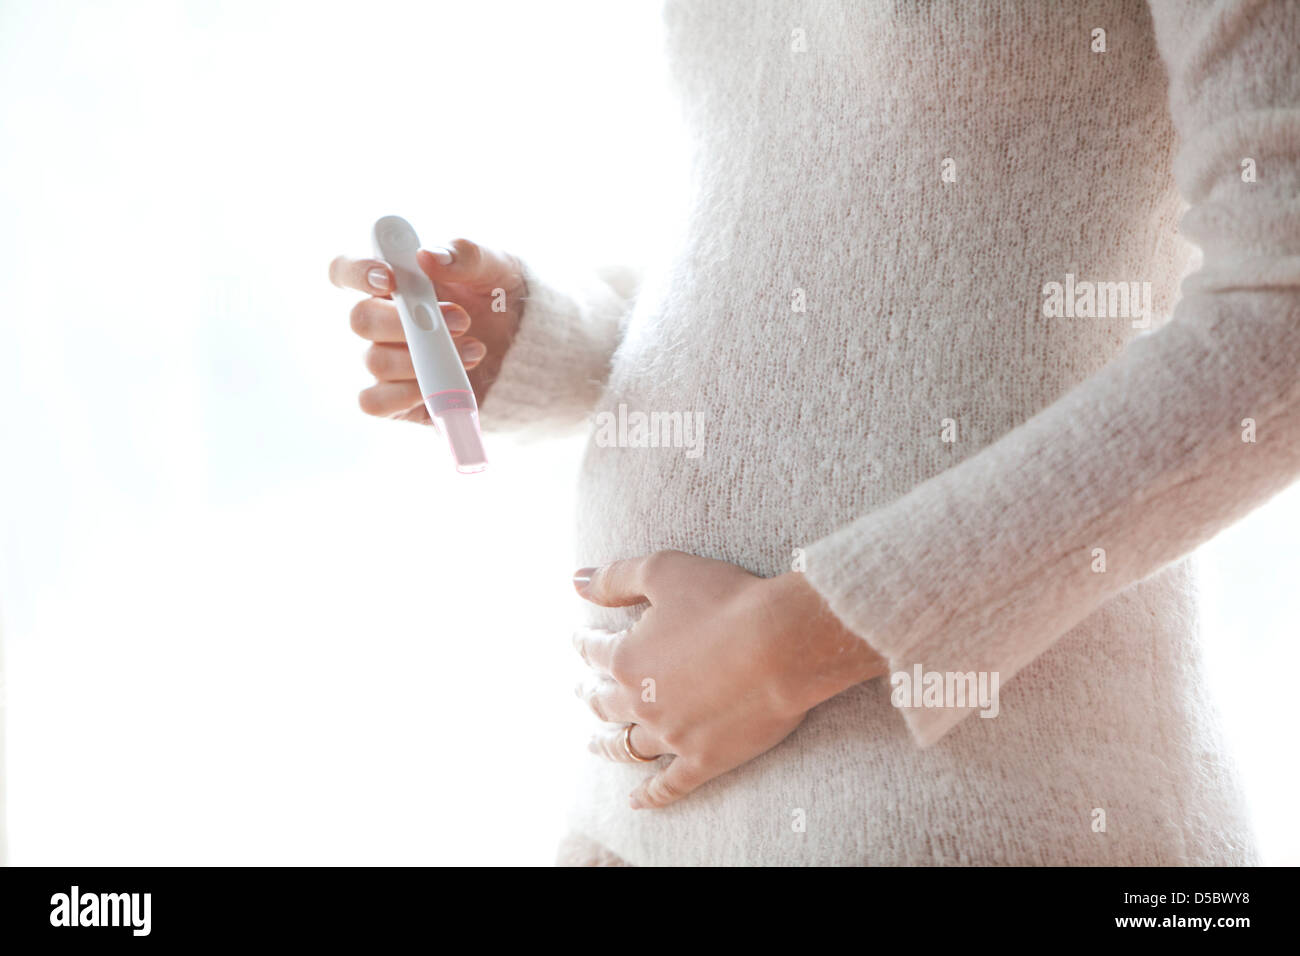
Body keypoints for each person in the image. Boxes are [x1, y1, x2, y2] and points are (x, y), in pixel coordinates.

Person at [329, 0, 1299, 865]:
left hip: (979, 819)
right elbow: (800, 235)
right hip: (631, 816)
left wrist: (796, 638)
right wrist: (539, 341)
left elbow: (1280, 322)